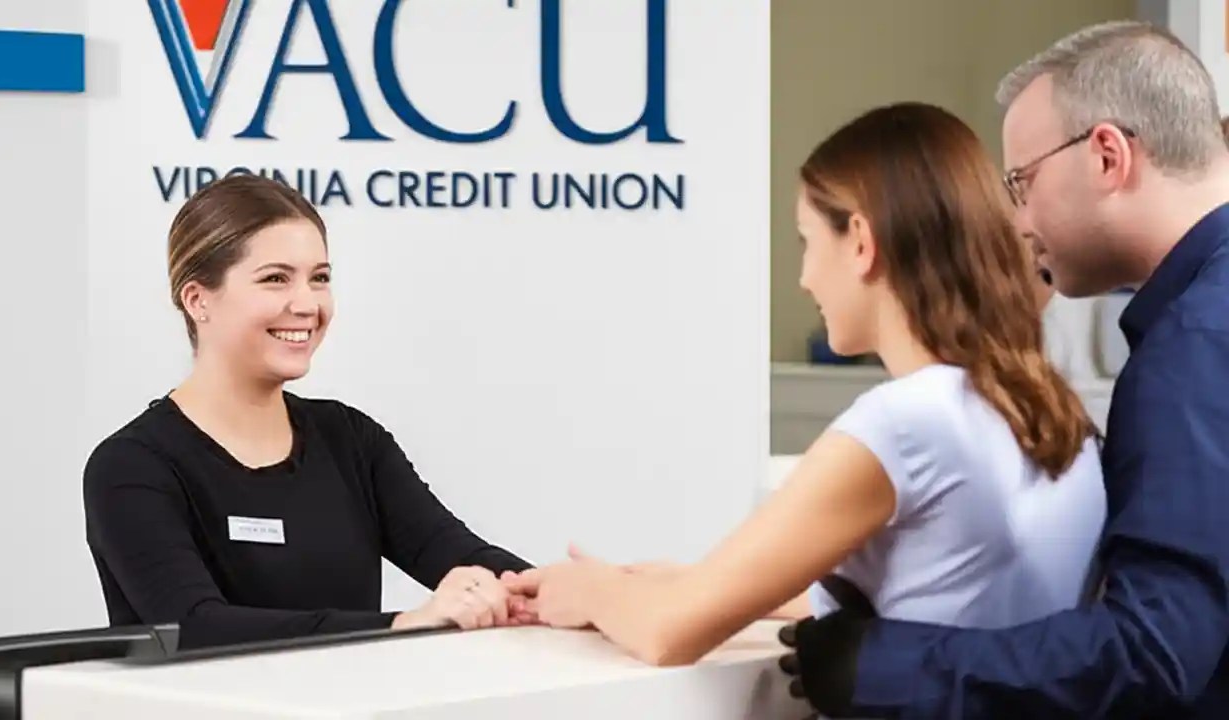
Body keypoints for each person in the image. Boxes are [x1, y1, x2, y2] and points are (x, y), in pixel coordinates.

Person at [503, 102, 1105, 668]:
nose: (803, 278)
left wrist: (590, 592)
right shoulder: (1045, 410)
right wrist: (679, 582)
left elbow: (669, 632)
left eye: (807, 242)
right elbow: (936, 592)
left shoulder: (906, 424)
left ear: (862, 243)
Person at [777, 21, 1229, 719]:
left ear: (1108, 156)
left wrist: (884, 667)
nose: (1017, 221)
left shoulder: (1192, 348)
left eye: (1023, 183)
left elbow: (1155, 651)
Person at [83, 174, 532, 650]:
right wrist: (402, 625)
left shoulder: (350, 439)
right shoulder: (133, 467)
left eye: (319, 278)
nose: (307, 304)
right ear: (198, 300)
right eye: (276, 279)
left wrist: (572, 592)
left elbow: (459, 555)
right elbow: (194, 629)